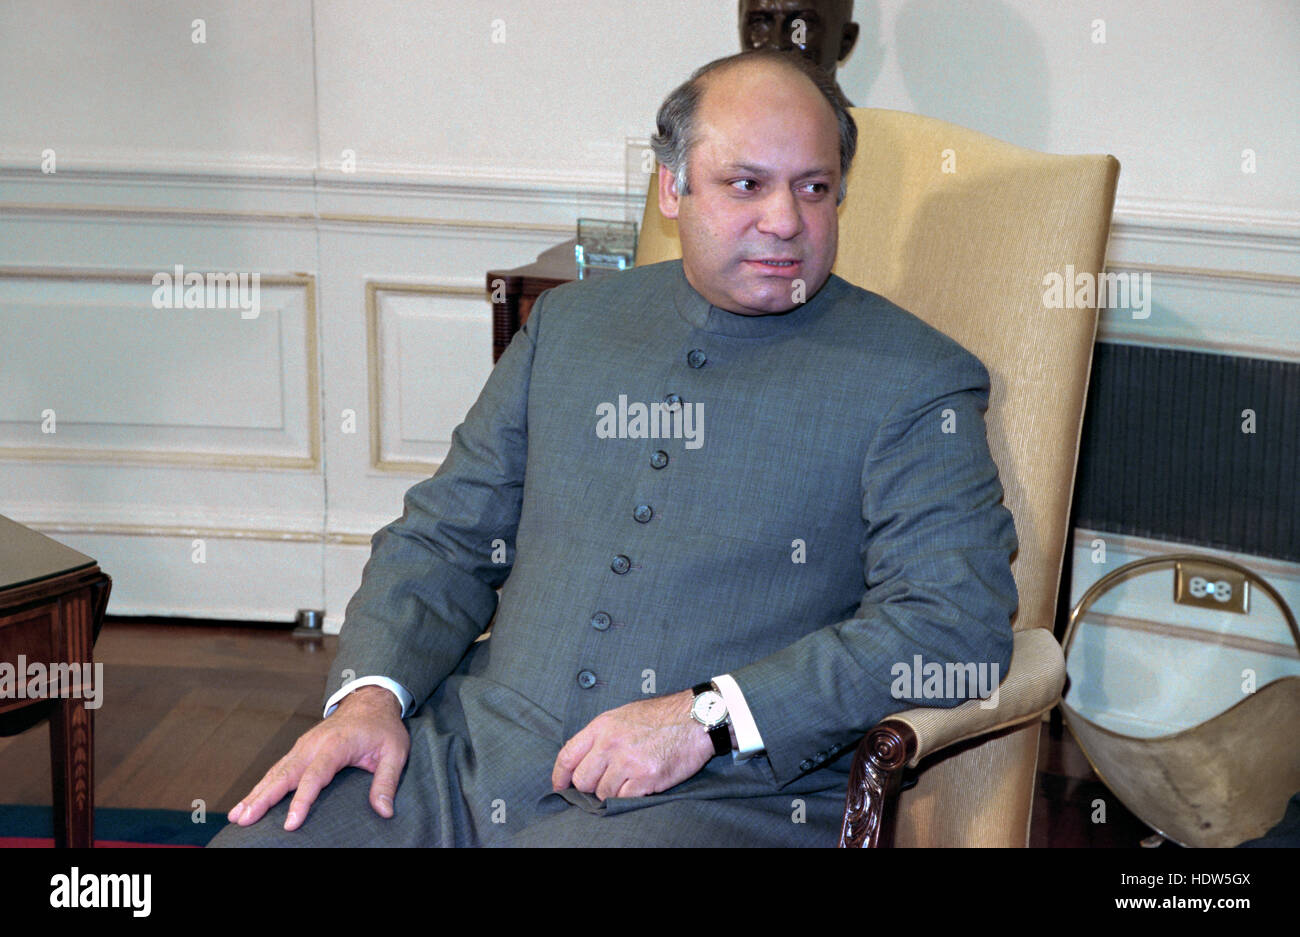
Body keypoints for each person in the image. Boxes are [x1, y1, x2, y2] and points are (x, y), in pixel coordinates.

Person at [209, 49, 1017, 848]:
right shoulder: (569, 326)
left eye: (813, 188)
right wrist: (370, 700)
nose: (785, 220)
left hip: (718, 795)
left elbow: (955, 621)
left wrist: (709, 716)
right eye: (746, 184)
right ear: (673, 187)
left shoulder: (915, 380)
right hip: (467, 761)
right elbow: (445, 537)